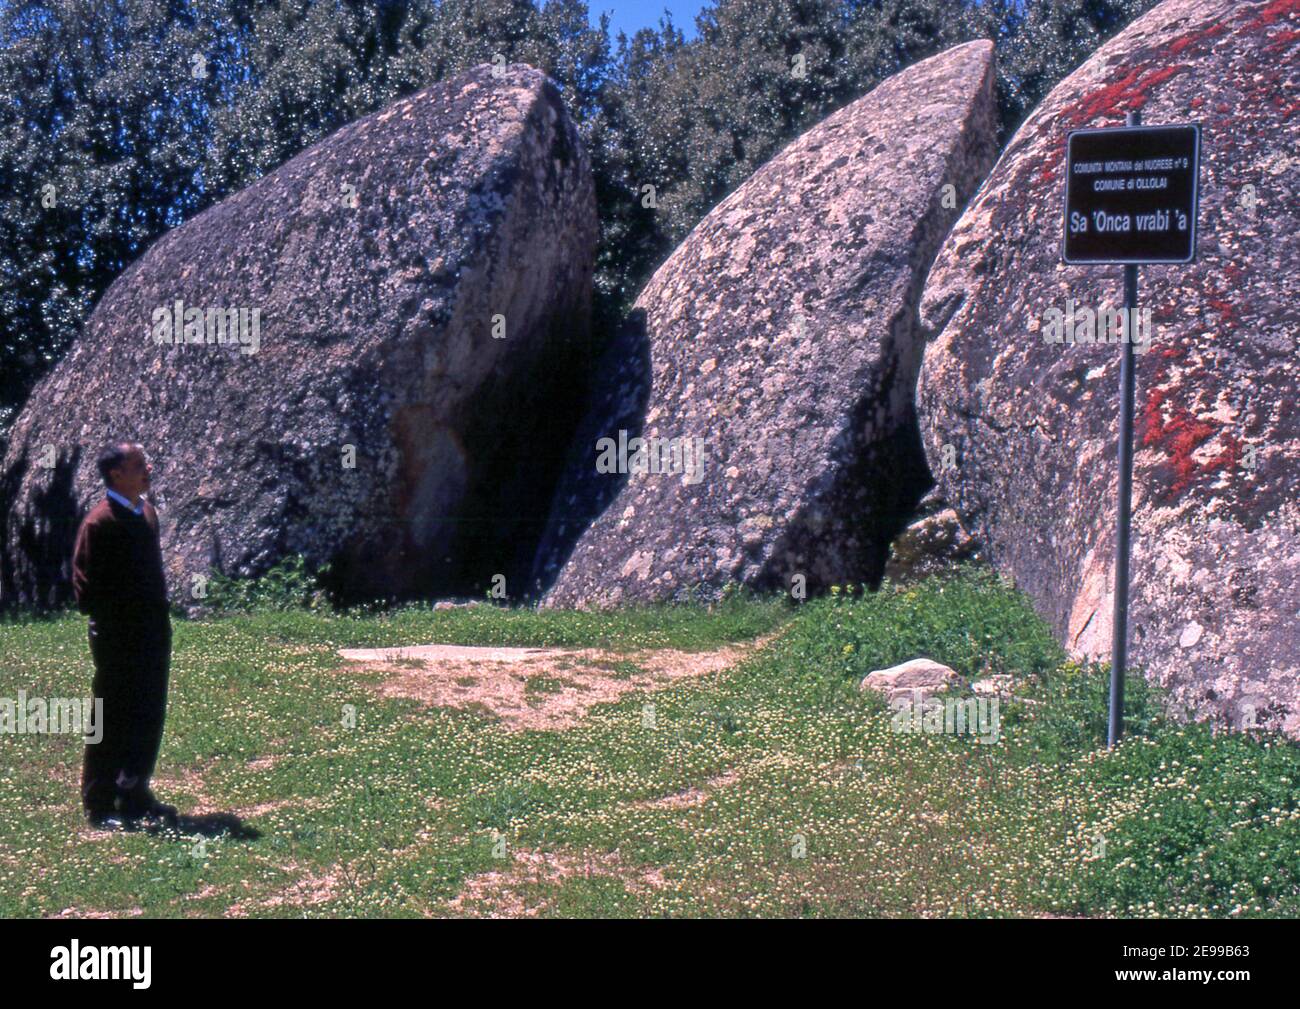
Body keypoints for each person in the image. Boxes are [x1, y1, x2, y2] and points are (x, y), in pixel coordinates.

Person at [71, 442, 178, 831]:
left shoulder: (146, 513)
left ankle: (133, 791)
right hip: (119, 638)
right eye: (138, 465)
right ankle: (99, 803)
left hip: (152, 633)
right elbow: (86, 590)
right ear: (116, 474)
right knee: (112, 715)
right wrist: (120, 625)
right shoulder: (99, 522)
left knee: (148, 714)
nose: (147, 469)